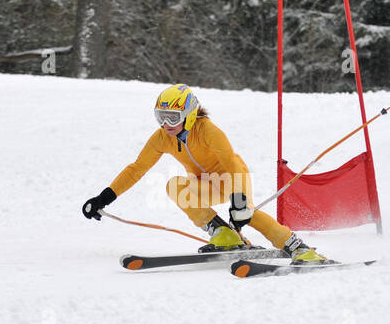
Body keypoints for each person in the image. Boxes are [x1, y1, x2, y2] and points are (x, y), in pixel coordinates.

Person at [82, 84, 326, 263]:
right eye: (161, 117)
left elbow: (230, 163)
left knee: (247, 214)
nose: (166, 125)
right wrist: (103, 198)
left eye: (172, 118)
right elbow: (136, 169)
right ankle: (223, 234)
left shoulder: (207, 130)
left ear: (189, 115)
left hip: (232, 178)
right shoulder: (162, 138)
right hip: (205, 185)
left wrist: (238, 200)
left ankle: (297, 247)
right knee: (174, 186)